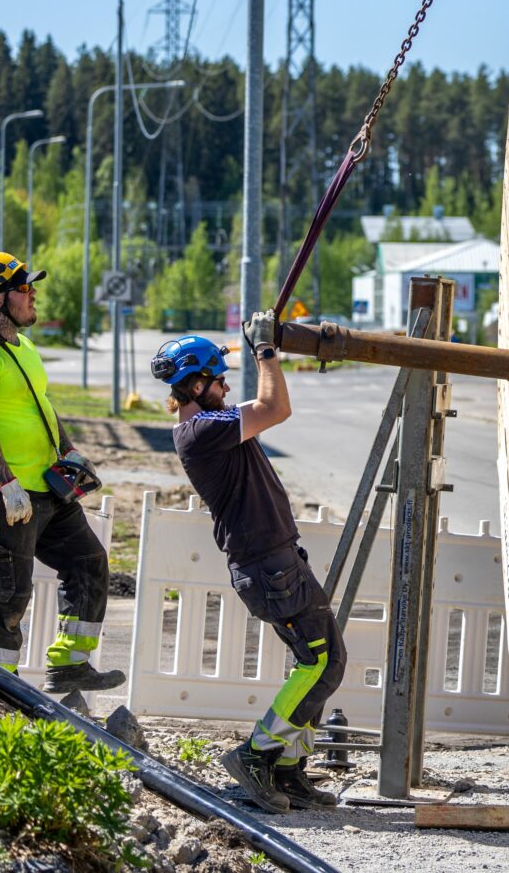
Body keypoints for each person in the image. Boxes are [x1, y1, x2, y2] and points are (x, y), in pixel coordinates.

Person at [155, 316, 344, 814]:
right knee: (321, 663)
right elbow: (275, 407)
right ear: (197, 385)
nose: (224, 387)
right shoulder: (201, 432)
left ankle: (288, 769)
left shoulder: (212, 426)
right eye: (218, 379)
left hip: (276, 564)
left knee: (323, 663)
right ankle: (257, 754)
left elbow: (262, 408)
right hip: (268, 567)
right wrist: (264, 350)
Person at [0, 250, 123, 694]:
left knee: (88, 563)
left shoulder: (22, 347)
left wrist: (70, 452)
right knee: (9, 589)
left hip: (46, 486)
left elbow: (40, 405)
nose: (33, 296)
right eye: (25, 289)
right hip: (6, 491)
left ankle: (70, 664)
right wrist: (7, 484)